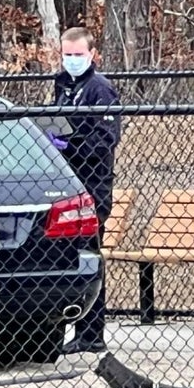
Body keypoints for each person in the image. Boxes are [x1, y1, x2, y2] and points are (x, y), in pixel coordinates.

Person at [47, 26, 122, 356]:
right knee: (65, 257)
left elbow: (106, 138)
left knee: (89, 254)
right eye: (67, 54)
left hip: (93, 183)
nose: (72, 60)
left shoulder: (100, 89)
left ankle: (91, 333)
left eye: (78, 54)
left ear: (92, 54)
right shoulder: (63, 84)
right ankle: (68, 327)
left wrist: (70, 146)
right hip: (66, 183)